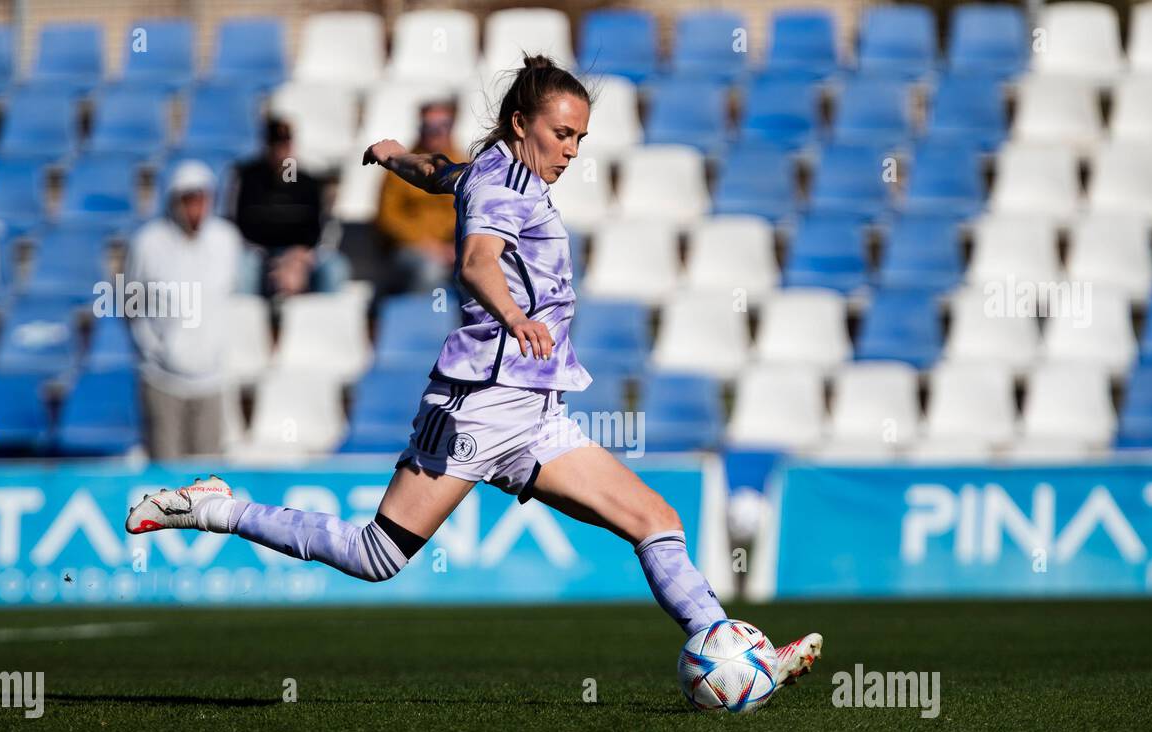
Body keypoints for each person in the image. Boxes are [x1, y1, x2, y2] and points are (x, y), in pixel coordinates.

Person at [125, 56, 822, 690]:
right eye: (562, 134)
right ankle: (214, 506)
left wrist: (397, 157)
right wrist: (516, 317)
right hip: (479, 404)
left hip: (534, 411)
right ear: (522, 124)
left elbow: (441, 175)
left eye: (580, 138)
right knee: (377, 554)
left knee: (655, 519)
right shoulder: (501, 189)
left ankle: (735, 651)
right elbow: (477, 261)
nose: (572, 151)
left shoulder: (494, 172)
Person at [126, 160, 240, 459]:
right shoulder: (148, 243)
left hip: (210, 379)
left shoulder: (226, 240)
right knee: (168, 482)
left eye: (201, 199)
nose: (195, 208)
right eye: (188, 199)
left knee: (207, 482)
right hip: (163, 379)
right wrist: (154, 349)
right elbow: (131, 303)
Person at [229, 116, 349, 297]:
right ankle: (244, 320)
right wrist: (273, 260)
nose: (281, 150)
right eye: (276, 144)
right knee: (243, 267)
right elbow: (235, 225)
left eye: (285, 144)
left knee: (334, 267)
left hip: (300, 253)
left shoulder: (307, 181)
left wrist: (299, 256)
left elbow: (322, 227)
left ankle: (326, 321)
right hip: (259, 253)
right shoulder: (248, 178)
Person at [372, 100, 462, 296]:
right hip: (411, 250)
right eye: (428, 126)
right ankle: (425, 325)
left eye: (442, 125)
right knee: (429, 271)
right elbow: (388, 219)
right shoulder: (400, 168)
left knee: (481, 271)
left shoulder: (463, 165)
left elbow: (471, 213)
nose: (435, 132)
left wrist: (454, 246)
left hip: (451, 249)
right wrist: (426, 244)